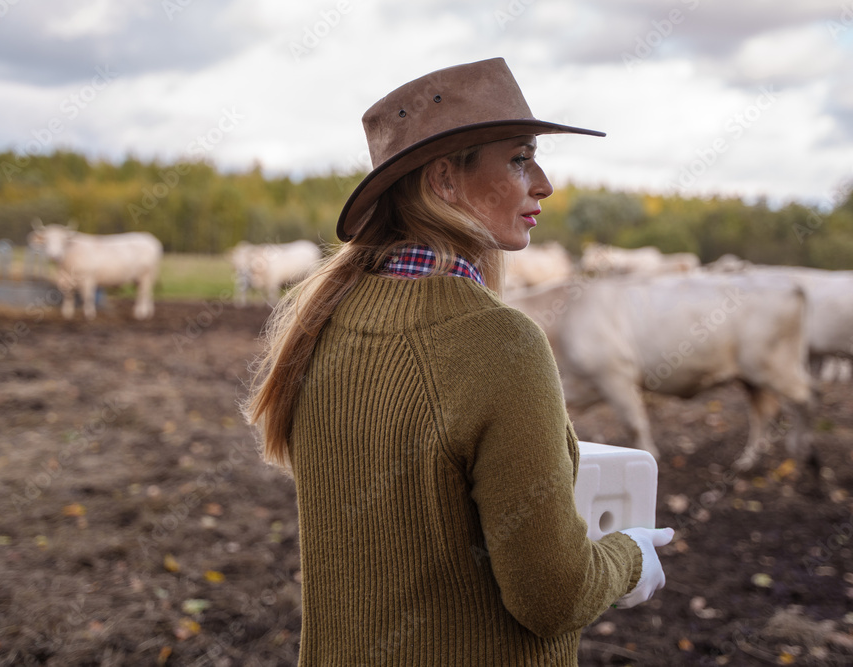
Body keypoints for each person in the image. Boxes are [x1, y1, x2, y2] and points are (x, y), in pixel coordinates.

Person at [244, 57, 674, 665]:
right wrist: (630, 556)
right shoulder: (501, 346)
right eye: (521, 159)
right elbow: (553, 596)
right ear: (445, 179)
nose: (543, 182)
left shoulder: (323, 322)